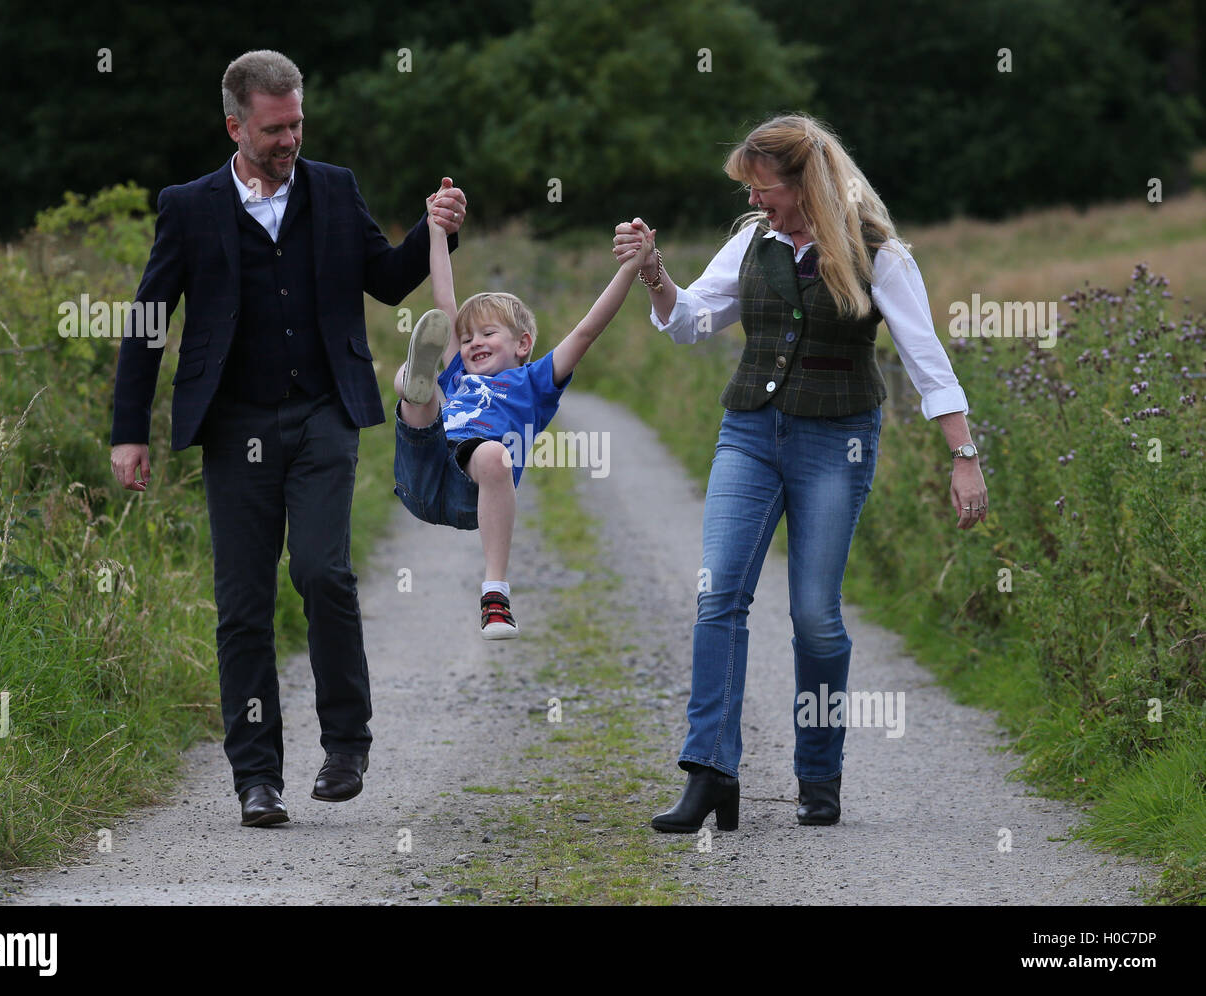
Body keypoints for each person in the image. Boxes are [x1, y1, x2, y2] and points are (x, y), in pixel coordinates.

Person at [108, 50, 468, 828]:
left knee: (322, 572)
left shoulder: (334, 189)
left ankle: (346, 746)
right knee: (242, 605)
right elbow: (147, 319)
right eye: (274, 129)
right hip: (232, 423)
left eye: (297, 122)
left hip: (323, 414)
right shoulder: (190, 205)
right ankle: (256, 777)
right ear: (235, 125)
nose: (289, 139)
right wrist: (128, 431)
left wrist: (436, 232)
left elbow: (384, 276)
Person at [613, 113, 987, 832]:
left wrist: (963, 456)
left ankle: (819, 774)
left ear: (803, 181)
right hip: (749, 432)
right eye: (750, 190)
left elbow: (925, 359)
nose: (756, 202)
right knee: (718, 591)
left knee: (814, 614)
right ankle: (710, 771)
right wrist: (655, 273)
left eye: (765, 189)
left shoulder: (880, 253)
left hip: (836, 440)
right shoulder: (751, 242)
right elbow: (690, 322)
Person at [393, 183, 656, 638]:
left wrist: (632, 268)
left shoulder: (533, 382)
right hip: (420, 473)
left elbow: (587, 330)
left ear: (523, 345)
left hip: (467, 493)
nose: (474, 343)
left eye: (487, 334)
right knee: (419, 396)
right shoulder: (459, 370)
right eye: (469, 337)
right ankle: (415, 383)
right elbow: (444, 300)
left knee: (493, 454)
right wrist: (437, 230)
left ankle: (495, 595)